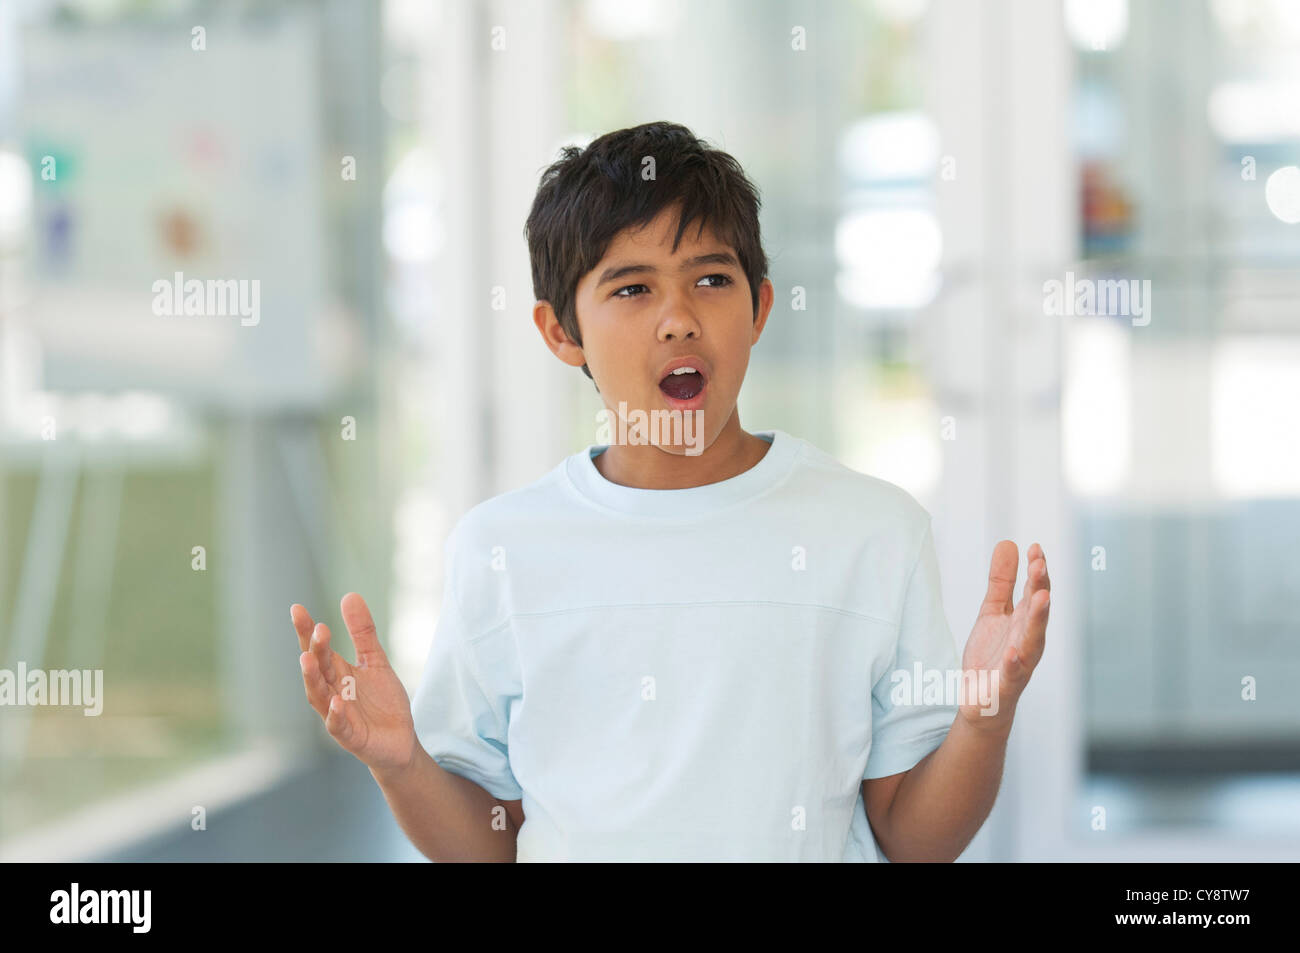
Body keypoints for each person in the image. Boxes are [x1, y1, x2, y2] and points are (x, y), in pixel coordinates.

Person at [291, 120, 1051, 862]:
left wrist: (983, 721)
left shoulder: (876, 531)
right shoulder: (500, 550)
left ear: (758, 308)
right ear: (562, 333)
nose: (678, 319)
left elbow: (915, 841)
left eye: (712, 280)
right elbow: (490, 838)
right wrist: (399, 763)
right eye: (631, 289)